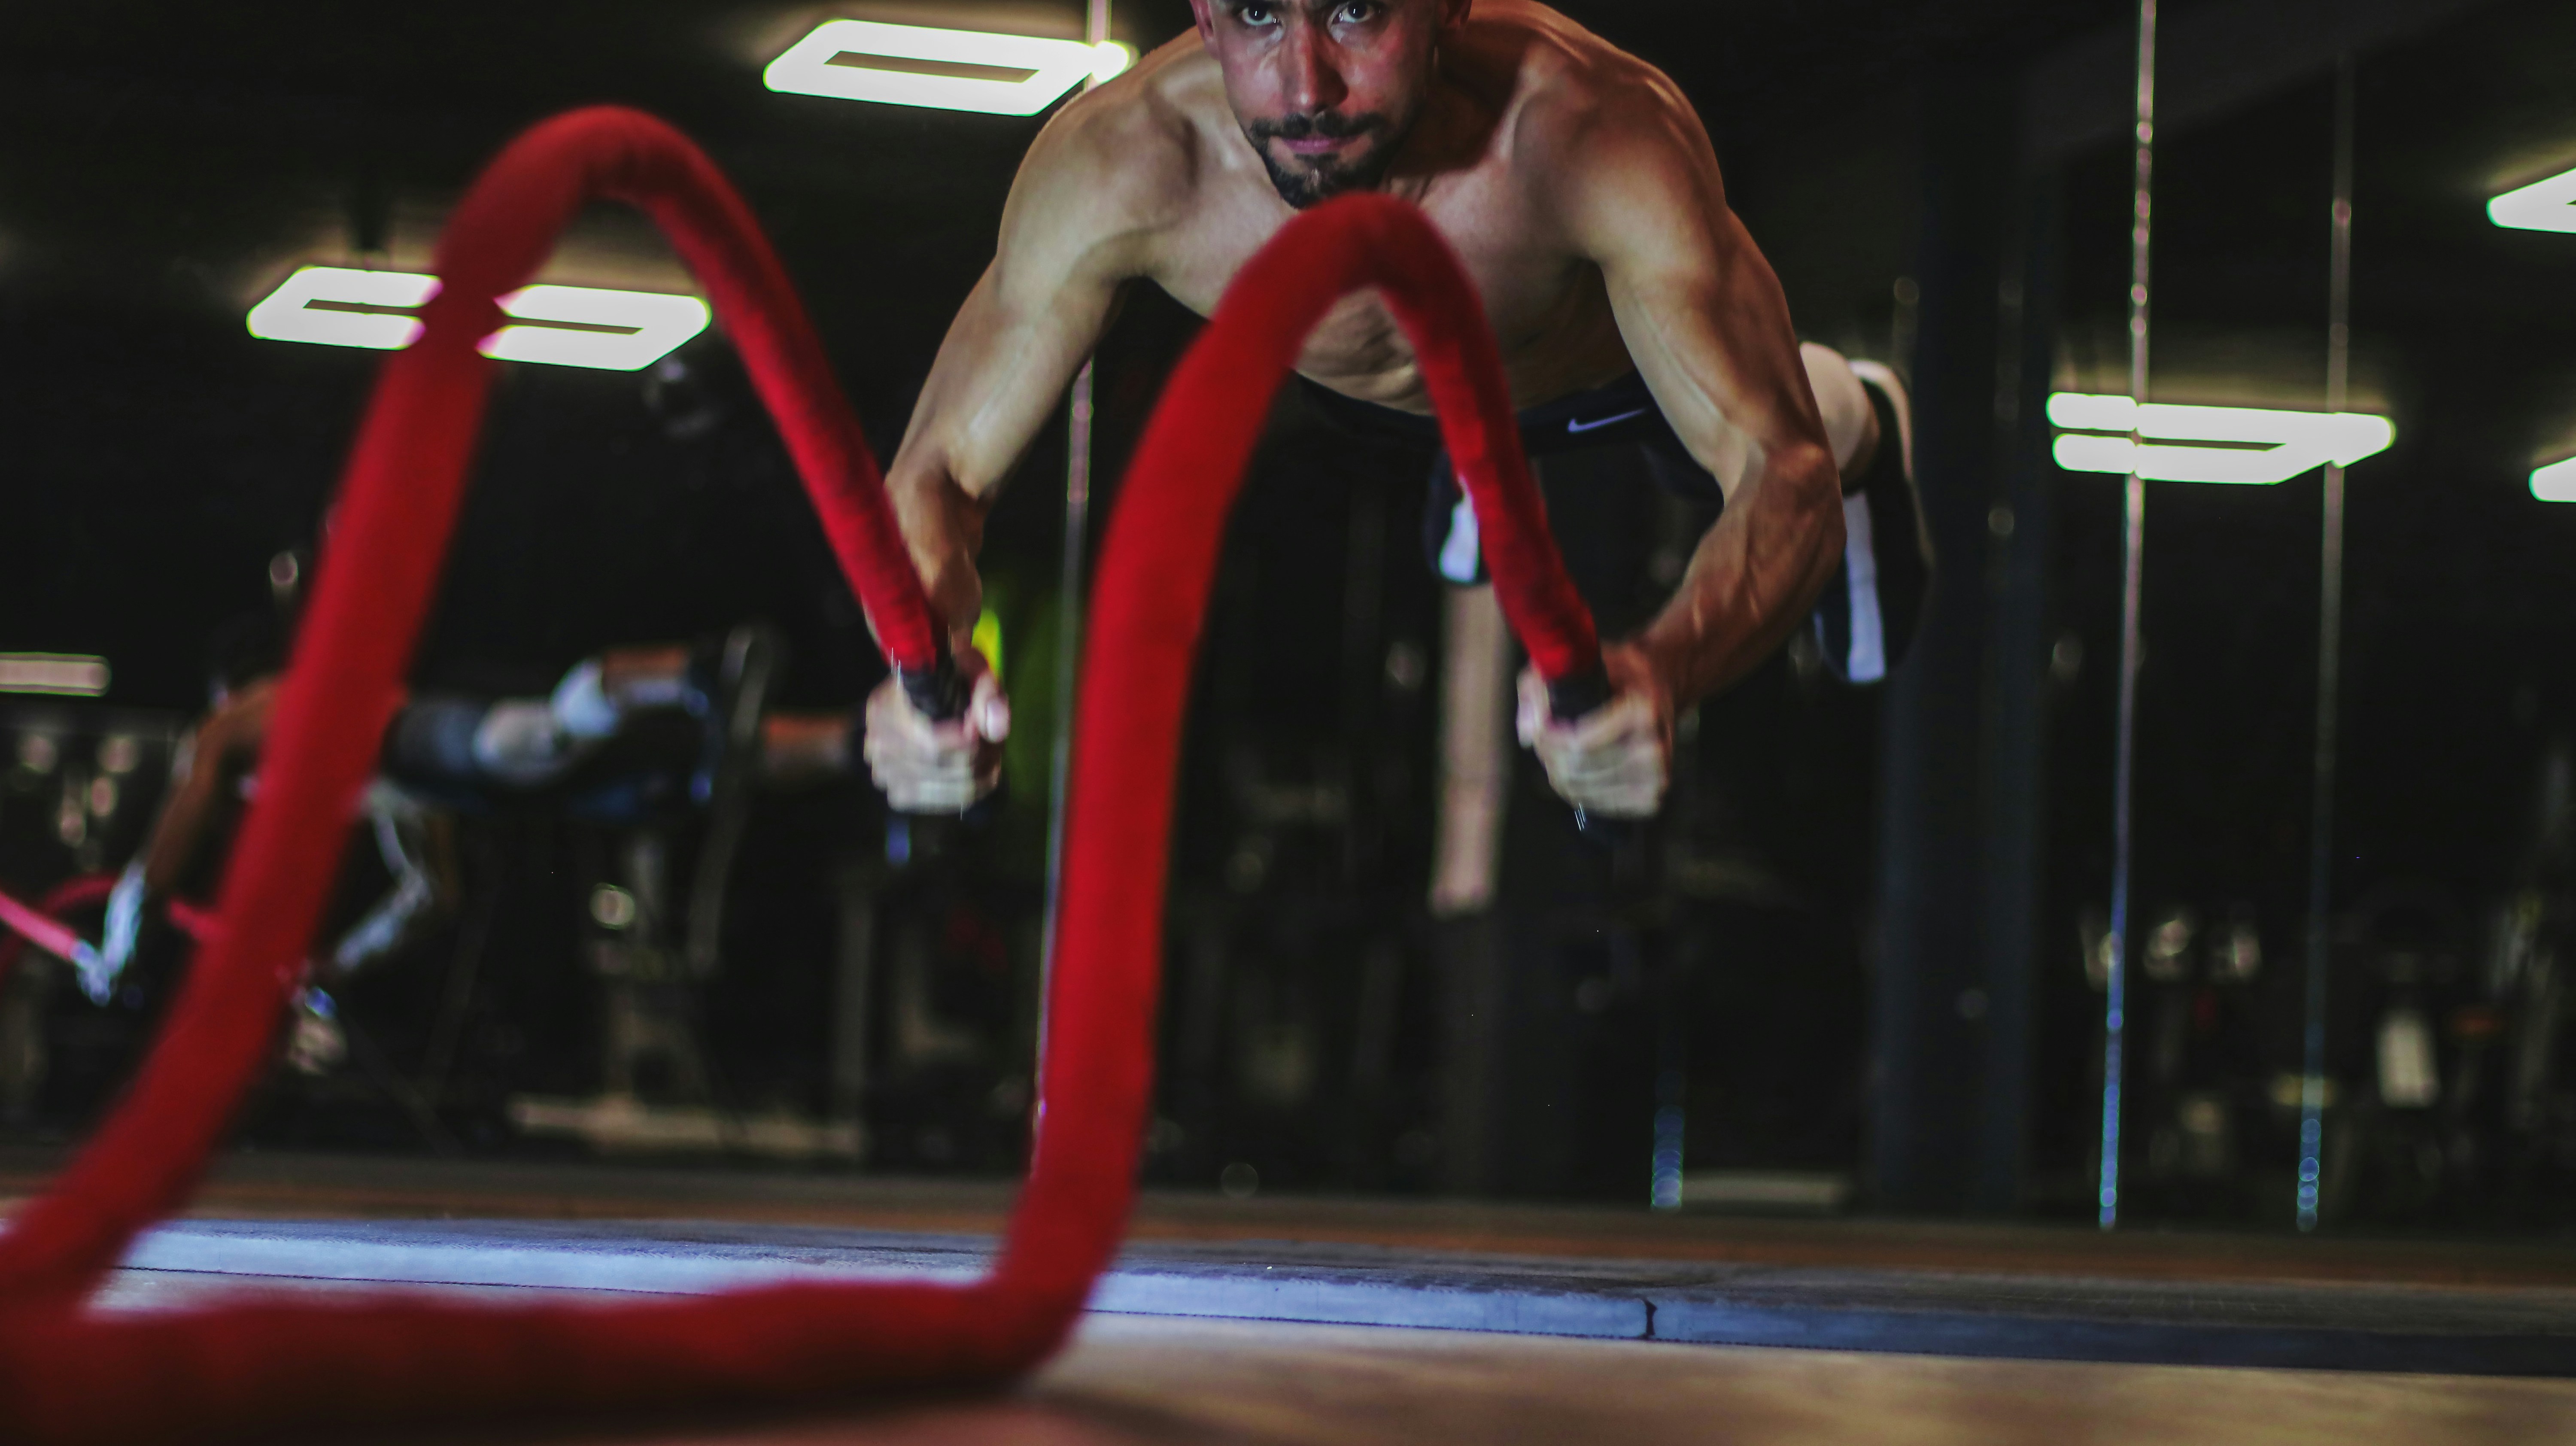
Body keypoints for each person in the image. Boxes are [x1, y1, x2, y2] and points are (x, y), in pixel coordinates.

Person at [867, 0, 1930, 822]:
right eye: (1253, 15)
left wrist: (1662, 671)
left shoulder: (1587, 129)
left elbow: (1775, 467)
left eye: (1355, 11)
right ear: (1199, 11)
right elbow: (942, 471)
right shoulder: (1123, 163)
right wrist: (921, 676)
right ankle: (1466, 464)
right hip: (1371, 403)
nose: (1305, 85)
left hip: (1601, 388)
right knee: (1427, 507)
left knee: (1805, 430)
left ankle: (1868, 420)